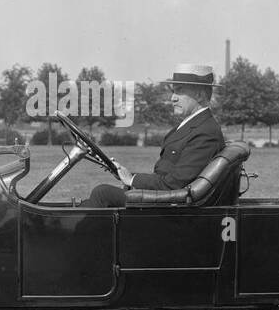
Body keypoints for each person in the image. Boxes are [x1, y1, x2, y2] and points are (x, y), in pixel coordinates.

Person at [86, 64, 225, 207]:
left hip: (174, 213)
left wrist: (132, 179)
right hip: (167, 202)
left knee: (102, 193)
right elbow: (167, 178)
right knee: (89, 203)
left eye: (179, 91)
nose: (172, 98)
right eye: (173, 92)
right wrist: (125, 174)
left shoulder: (206, 132)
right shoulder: (191, 127)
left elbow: (175, 184)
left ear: (200, 95)